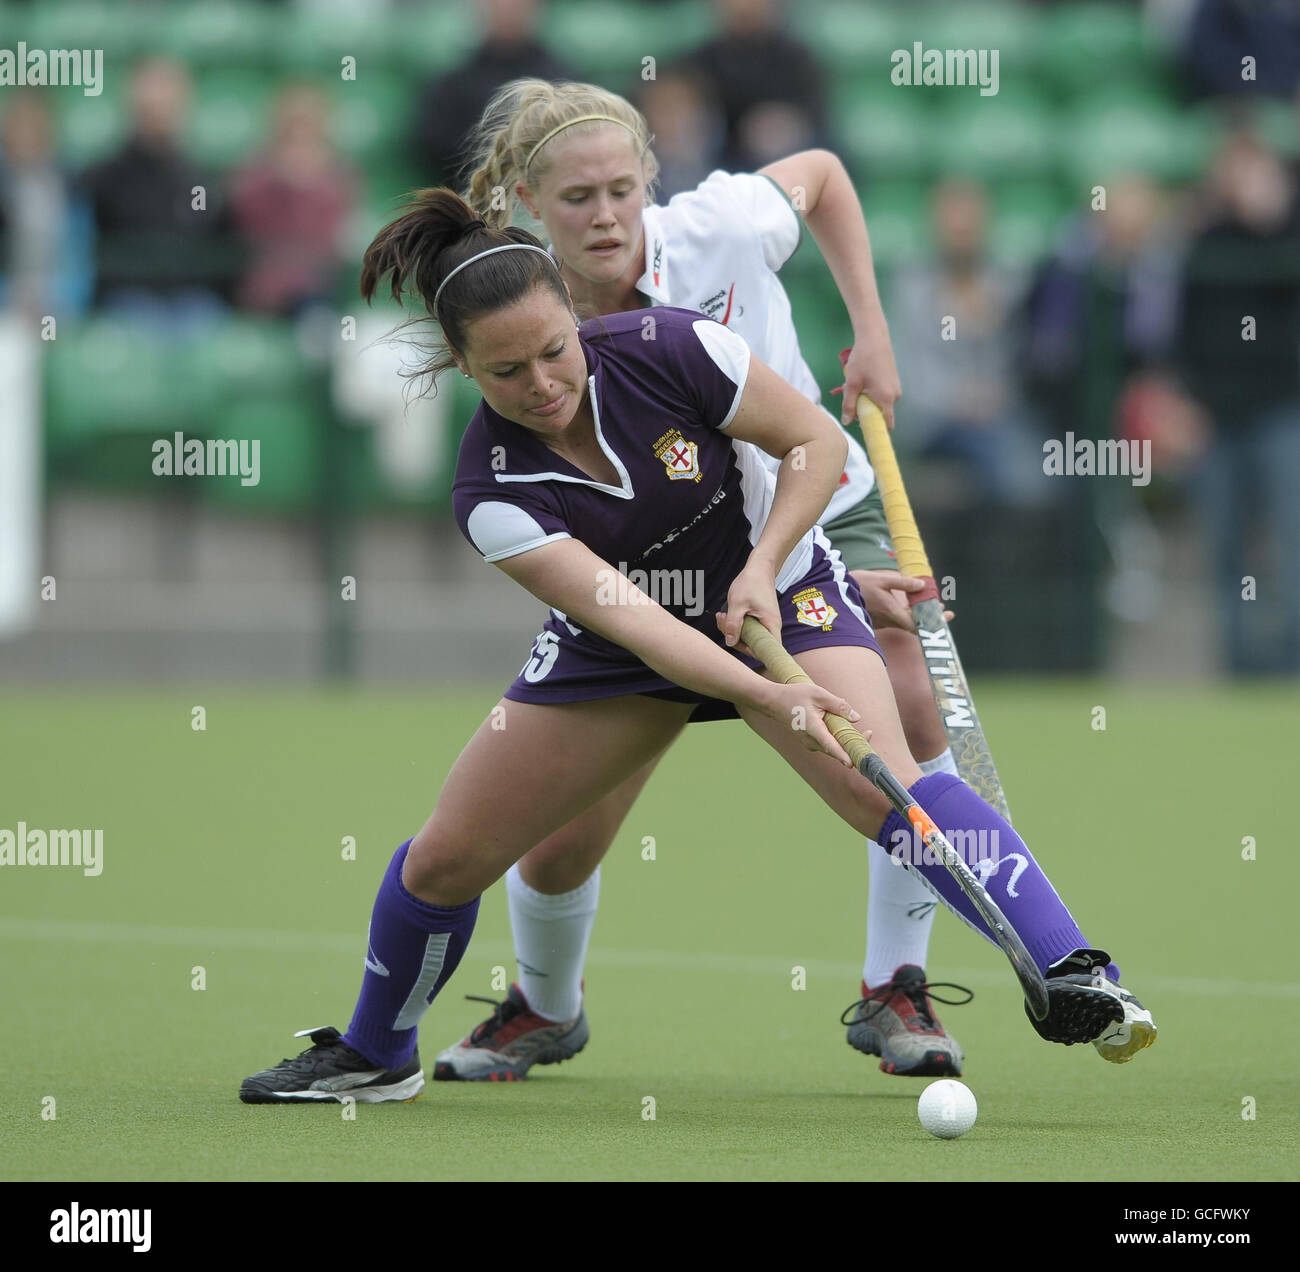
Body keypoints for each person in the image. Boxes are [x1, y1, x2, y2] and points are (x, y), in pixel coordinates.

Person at [239, 190, 1155, 1104]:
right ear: (465, 369)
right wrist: (769, 695)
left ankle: (1071, 969)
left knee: (890, 787)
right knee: (447, 861)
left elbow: (816, 443)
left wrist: (764, 568)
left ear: (574, 315)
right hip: (621, 651)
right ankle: (377, 1051)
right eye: (508, 371)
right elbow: (636, 624)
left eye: (555, 350)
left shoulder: (669, 346)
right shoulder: (492, 492)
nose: (544, 383)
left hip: (783, 593)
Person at [436, 78, 972, 1083]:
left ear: (649, 177)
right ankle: (545, 1007)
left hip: (808, 499)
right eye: (576, 199)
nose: (604, 217)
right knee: (559, 844)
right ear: (522, 200)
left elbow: (820, 177)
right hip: (640, 561)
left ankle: (895, 982)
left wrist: (873, 329)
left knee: (902, 701)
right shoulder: (521, 308)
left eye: (619, 191)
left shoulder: (719, 225)